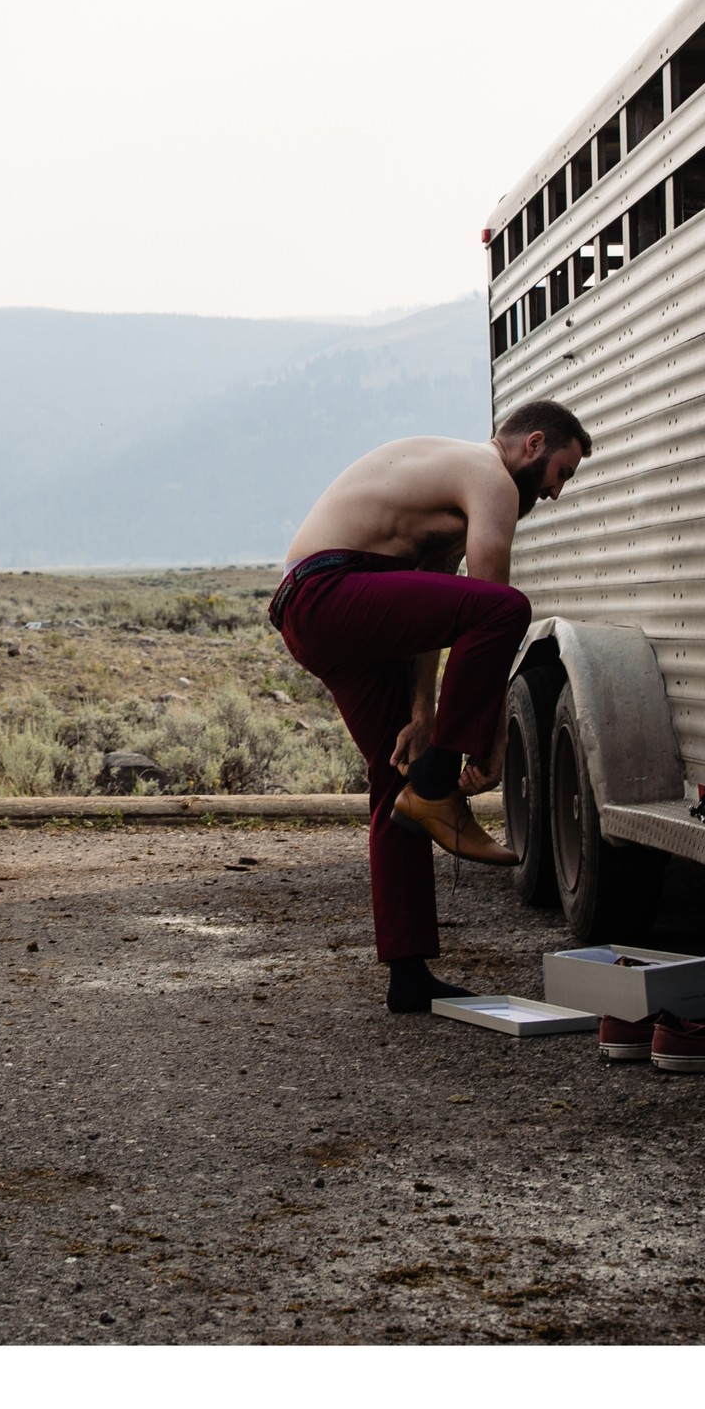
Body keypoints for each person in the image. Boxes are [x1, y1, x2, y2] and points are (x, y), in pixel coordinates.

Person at [272, 400, 587, 1013]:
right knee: (507, 610)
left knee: (399, 784)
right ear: (534, 444)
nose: (555, 493)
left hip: (314, 609)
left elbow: (433, 621)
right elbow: (492, 604)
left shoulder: (446, 492)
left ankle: (408, 974)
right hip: (330, 588)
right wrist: (490, 741)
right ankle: (439, 786)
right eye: (561, 474)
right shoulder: (490, 475)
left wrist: (424, 717)